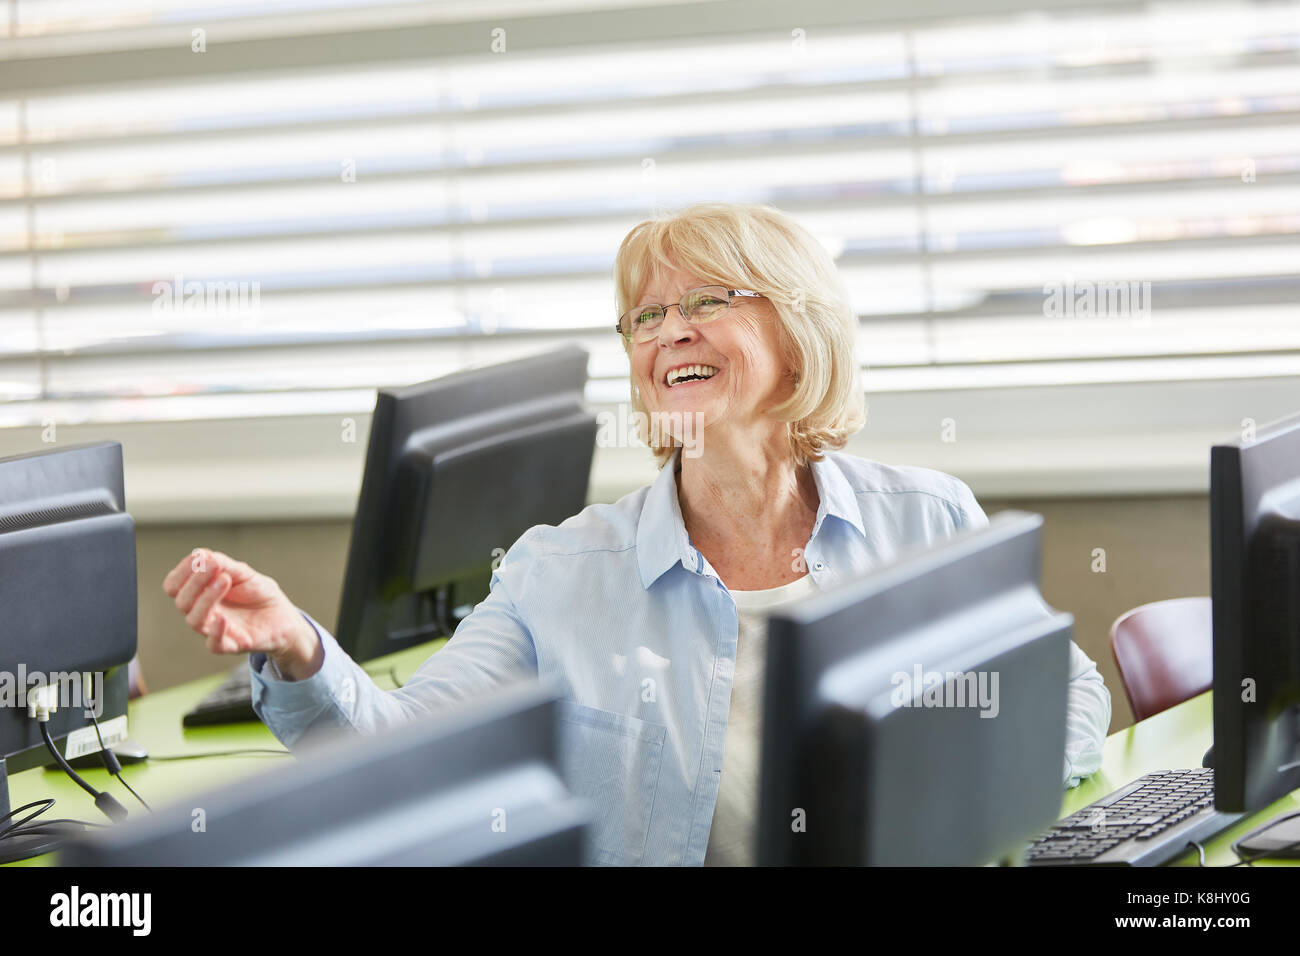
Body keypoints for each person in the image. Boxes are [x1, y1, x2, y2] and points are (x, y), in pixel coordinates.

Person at [163, 202, 1111, 866]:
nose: (669, 334)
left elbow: (1064, 699)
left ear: (801, 330)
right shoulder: (559, 571)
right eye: (647, 317)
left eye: (707, 303)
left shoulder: (928, 516)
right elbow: (399, 752)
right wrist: (296, 649)